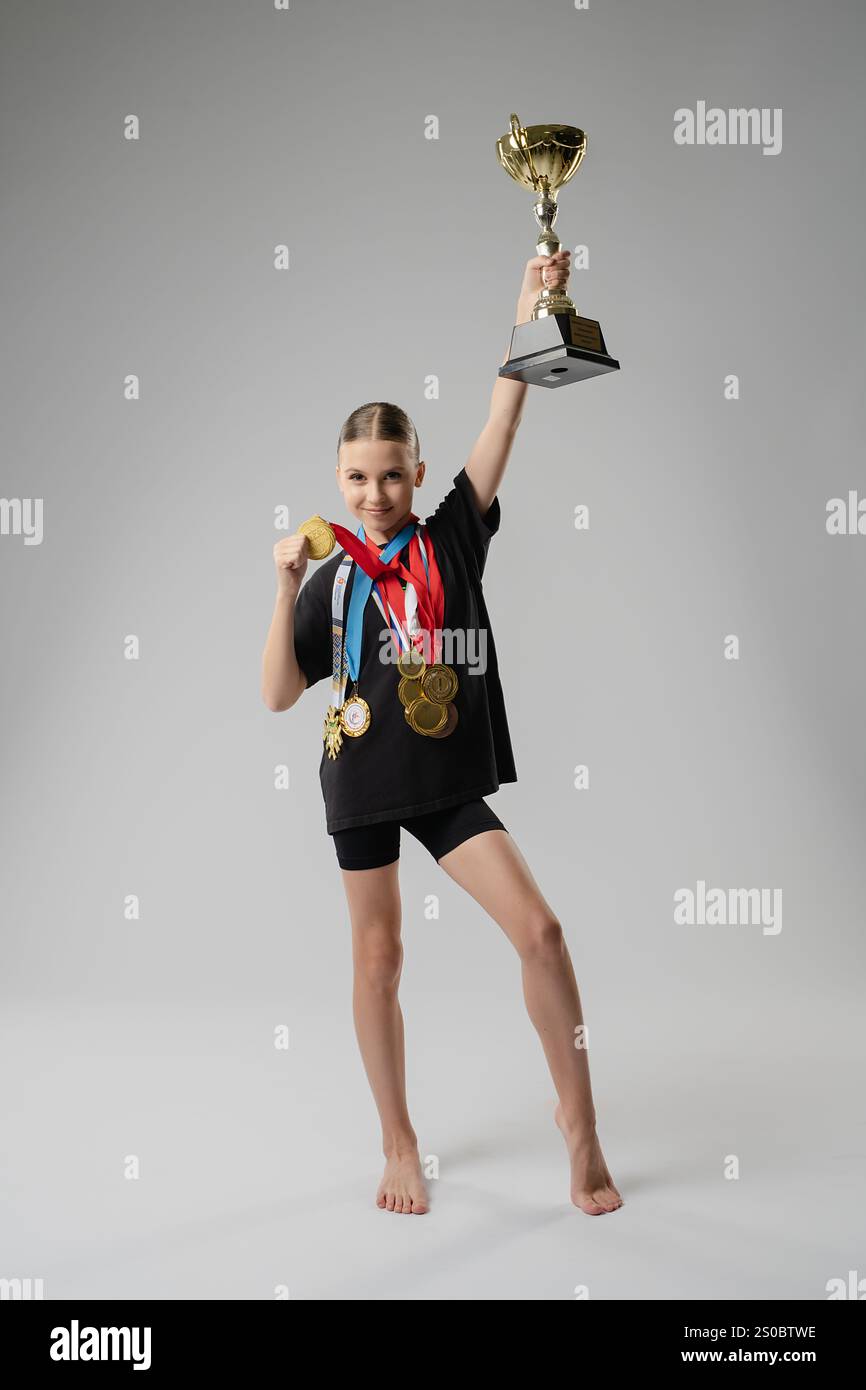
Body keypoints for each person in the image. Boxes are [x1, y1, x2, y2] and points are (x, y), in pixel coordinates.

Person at [261, 251, 623, 1217]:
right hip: (362, 782)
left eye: (391, 475)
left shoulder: (453, 534)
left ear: (418, 474)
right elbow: (276, 696)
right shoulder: (332, 575)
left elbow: (505, 412)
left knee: (540, 932)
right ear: (337, 480)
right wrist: (285, 583)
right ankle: (398, 1139)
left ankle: (579, 1126)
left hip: (446, 777)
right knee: (377, 961)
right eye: (356, 478)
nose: (375, 493)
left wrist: (526, 306)